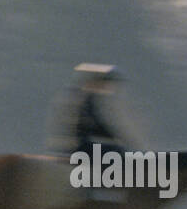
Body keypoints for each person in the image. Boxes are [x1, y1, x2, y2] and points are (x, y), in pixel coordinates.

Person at [50, 64, 129, 197]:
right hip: (77, 146)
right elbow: (90, 125)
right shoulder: (81, 98)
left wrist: (117, 139)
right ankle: (98, 191)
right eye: (106, 82)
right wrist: (117, 141)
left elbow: (100, 126)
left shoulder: (86, 97)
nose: (108, 87)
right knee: (115, 154)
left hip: (80, 143)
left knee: (116, 150)